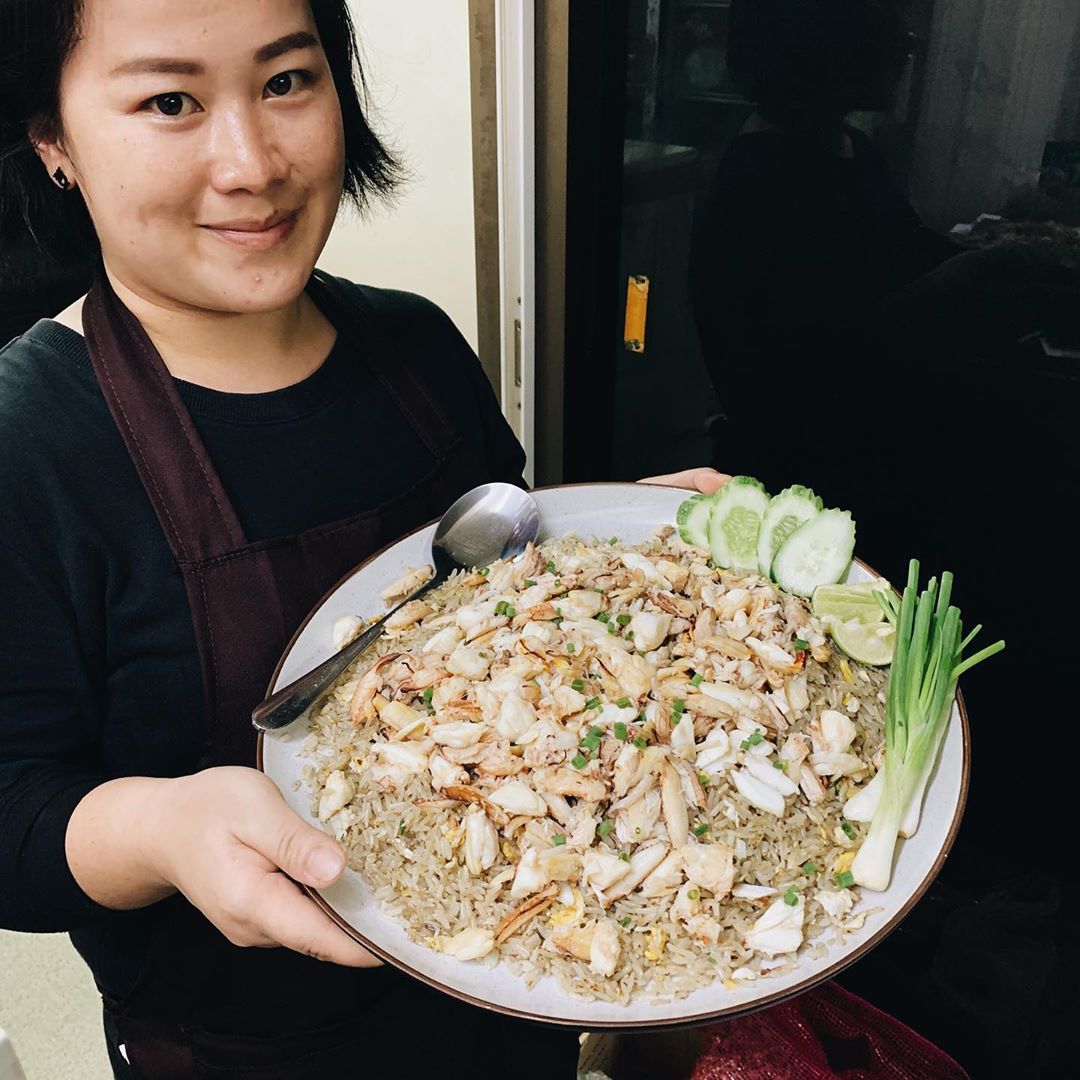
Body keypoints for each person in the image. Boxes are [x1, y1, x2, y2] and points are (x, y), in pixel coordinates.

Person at [0, 3, 723, 1076]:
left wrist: (623, 569)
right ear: (51, 138)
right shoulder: (29, 441)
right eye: (169, 101)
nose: (252, 163)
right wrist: (162, 830)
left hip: (509, 997)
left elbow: (502, 589)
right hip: (251, 1048)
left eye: (287, 81)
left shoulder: (417, 346)